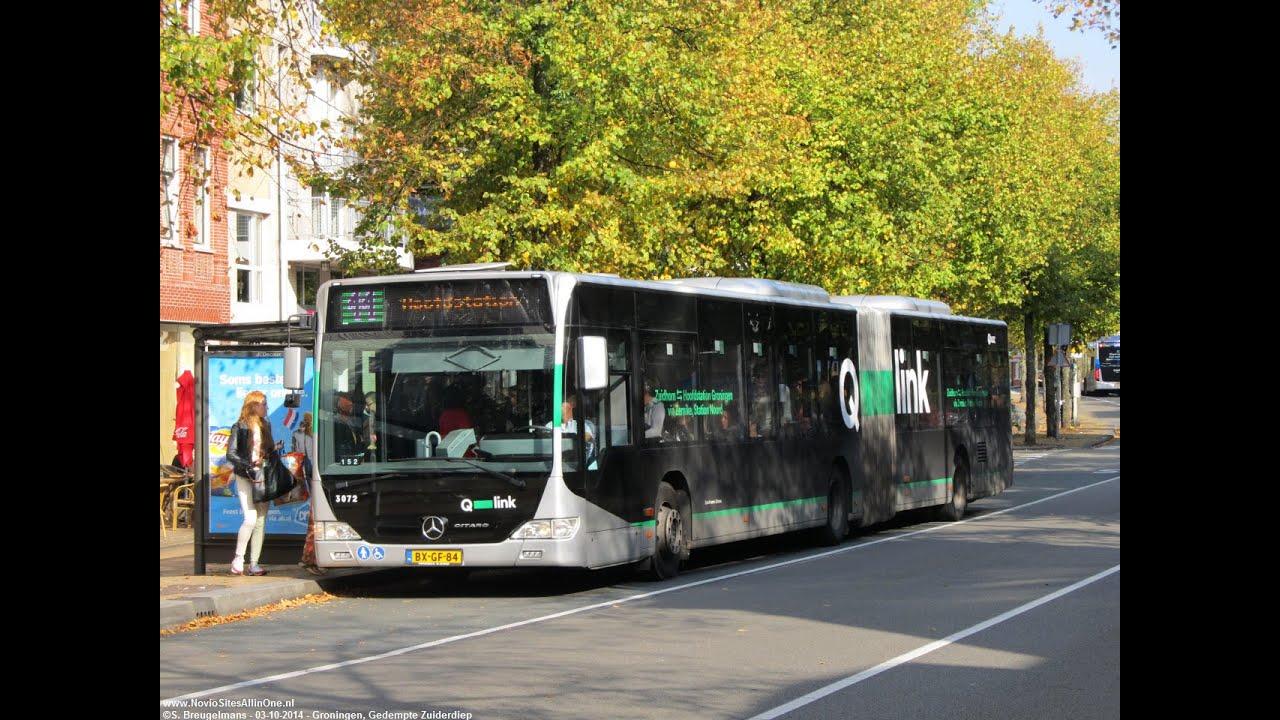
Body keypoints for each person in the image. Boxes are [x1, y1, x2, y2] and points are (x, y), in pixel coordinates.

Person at [225, 390, 282, 576]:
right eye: (264, 404)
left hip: (262, 477)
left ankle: (254, 562)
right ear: (253, 405)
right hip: (245, 476)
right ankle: (238, 559)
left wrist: (274, 449)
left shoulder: (267, 425)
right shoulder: (240, 426)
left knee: (261, 520)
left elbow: (265, 451)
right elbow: (231, 453)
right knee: (250, 518)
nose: (266, 407)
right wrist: (247, 466)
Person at [291, 412, 324, 575]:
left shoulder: (298, 434)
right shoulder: (318, 432)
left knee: (314, 518)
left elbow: (296, 453)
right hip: (315, 475)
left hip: (307, 474)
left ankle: (309, 557)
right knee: (315, 519)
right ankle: (309, 558)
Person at [547, 397, 596, 463]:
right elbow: (546, 446)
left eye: (567, 408)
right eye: (562, 408)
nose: (564, 411)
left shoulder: (582, 425)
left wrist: (587, 438)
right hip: (555, 463)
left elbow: (590, 443)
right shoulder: (549, 426)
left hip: (577, 464)